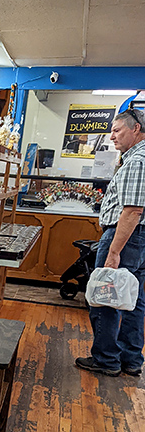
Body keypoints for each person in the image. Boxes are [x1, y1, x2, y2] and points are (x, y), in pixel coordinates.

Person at [76, 106, 145, 376]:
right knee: (133, 298)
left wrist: (114, 251)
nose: (112, 136)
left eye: (117, 130)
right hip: (138, 239)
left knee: (106, 297)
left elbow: (132, 211)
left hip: (125, 236)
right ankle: (131, 360)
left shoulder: (137, 161)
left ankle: (106, 359)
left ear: (135, 129)